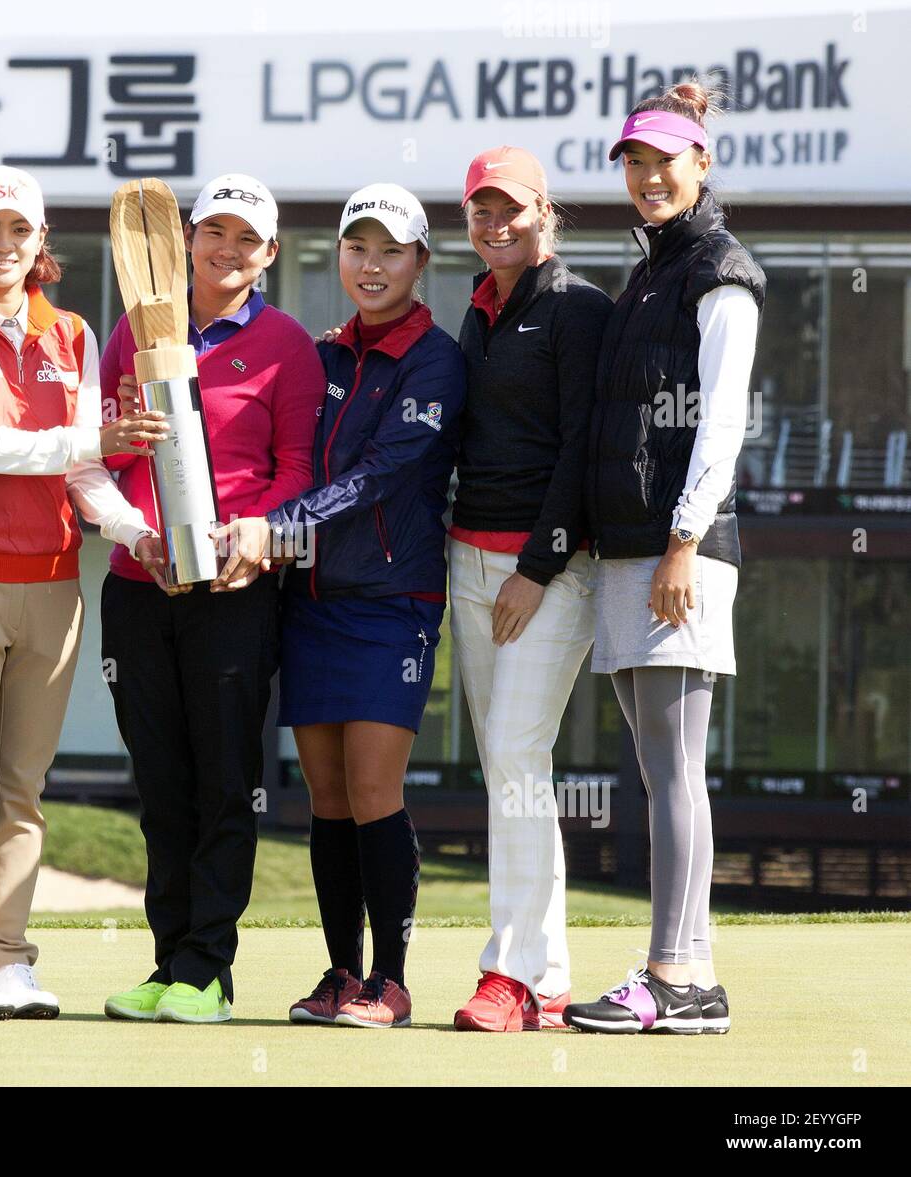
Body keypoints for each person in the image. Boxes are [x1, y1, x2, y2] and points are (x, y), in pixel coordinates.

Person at [0, 166, 168, 1020]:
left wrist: (136, 532)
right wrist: (89, 434)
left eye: (21, 231)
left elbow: (87, 470)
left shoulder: (76, 334)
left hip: (53, 581)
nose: (5, 245)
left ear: (41, 242)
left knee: (24, 785)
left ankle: (11, 955)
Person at [216, 183, 465, 1029]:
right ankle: (338, 972)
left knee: (372, 787)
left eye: (391, 251)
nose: (372, 265)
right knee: (325, 795)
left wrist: (270, 527)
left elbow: (374, 479)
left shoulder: (437, 362)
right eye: (359, 249)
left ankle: (389, 980)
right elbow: (288, 457)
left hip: (392, 603)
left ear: (419, 262)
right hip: (311, 601)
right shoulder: (318, 357)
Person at [99, 174, 325, 1024]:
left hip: (235, 589)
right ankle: (167, 962)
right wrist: (137, 528)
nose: (227, 250)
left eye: (247, 239)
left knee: (225, 781)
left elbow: (298, 473)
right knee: (161, 785)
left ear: (269, 253)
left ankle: (209, 970)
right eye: (214, 232)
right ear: (188, 238)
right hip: (140, 585)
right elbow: (114, 460)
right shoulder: (134, 330)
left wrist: (254, 539)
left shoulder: (286, 346)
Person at [565, 79, 765, 1035]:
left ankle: (676, 974)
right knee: (658, 765)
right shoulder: (648, 271)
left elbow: (722, 421)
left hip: (680, 550)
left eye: (663, 161)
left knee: (676, 766)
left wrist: (683, 540)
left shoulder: (720, 266)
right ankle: (695, 977)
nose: (647, 177)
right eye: (634, 163)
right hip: (633, 552)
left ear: (702, 163)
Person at [446, 148, 613, 1032]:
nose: (495, 223)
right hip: (469, 560)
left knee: (514, 756)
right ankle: (545, 978)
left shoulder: (577, 308)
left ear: (545, 211)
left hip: (542, 572)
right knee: (514, 770)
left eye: (511, 208)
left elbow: (583, 446)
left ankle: (506, 974)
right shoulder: (480, 310)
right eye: (480, 209)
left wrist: (537, 568)